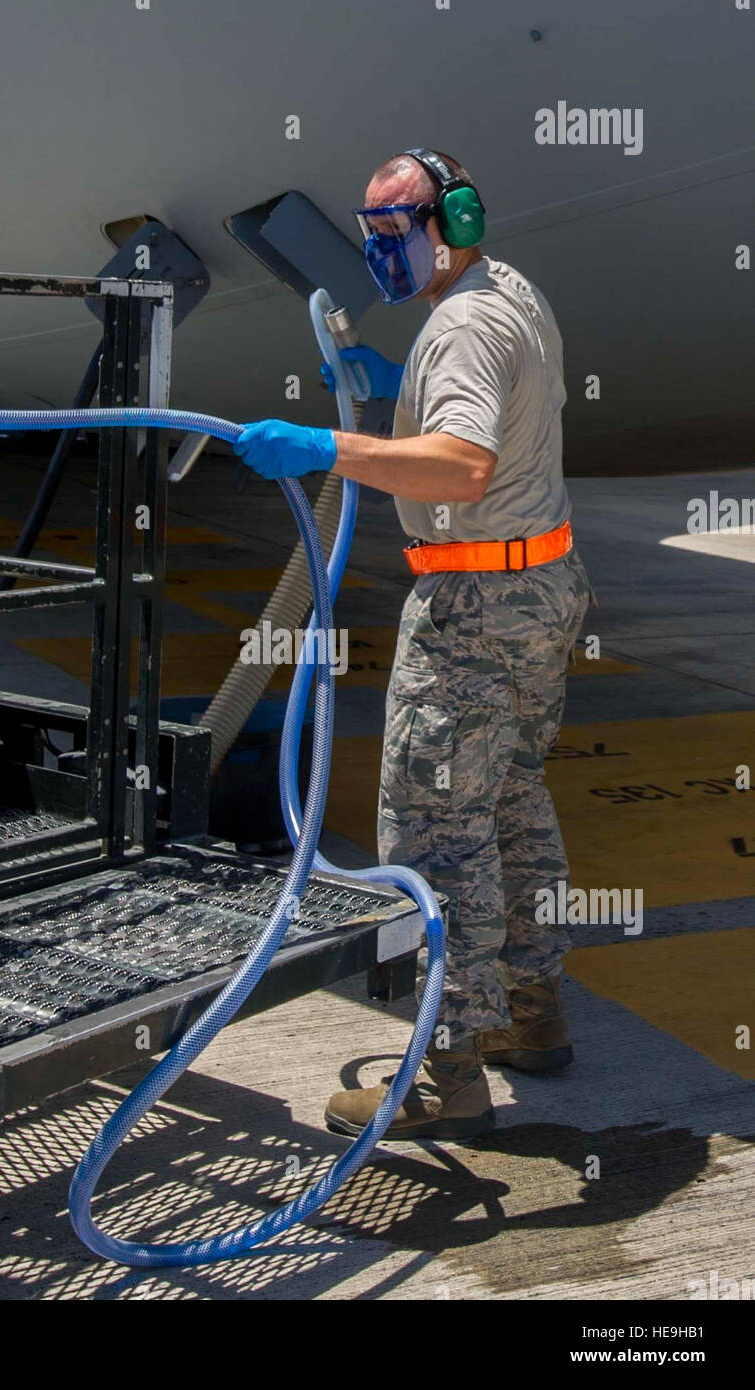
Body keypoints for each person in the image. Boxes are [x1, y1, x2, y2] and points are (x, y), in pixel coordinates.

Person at [232, 148, 592, 1140]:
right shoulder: (507, 293)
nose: (381, 258)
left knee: (434, 833)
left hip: (475, 605)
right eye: (372, 238)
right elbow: (505, 415)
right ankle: (533, 1011)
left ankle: (448, 1069)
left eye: (394, 237)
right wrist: (400, 381)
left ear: (451, 225)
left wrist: (328, 447)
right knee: (512, 801)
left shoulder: (465, 322)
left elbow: (463, 466)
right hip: (541, 592)